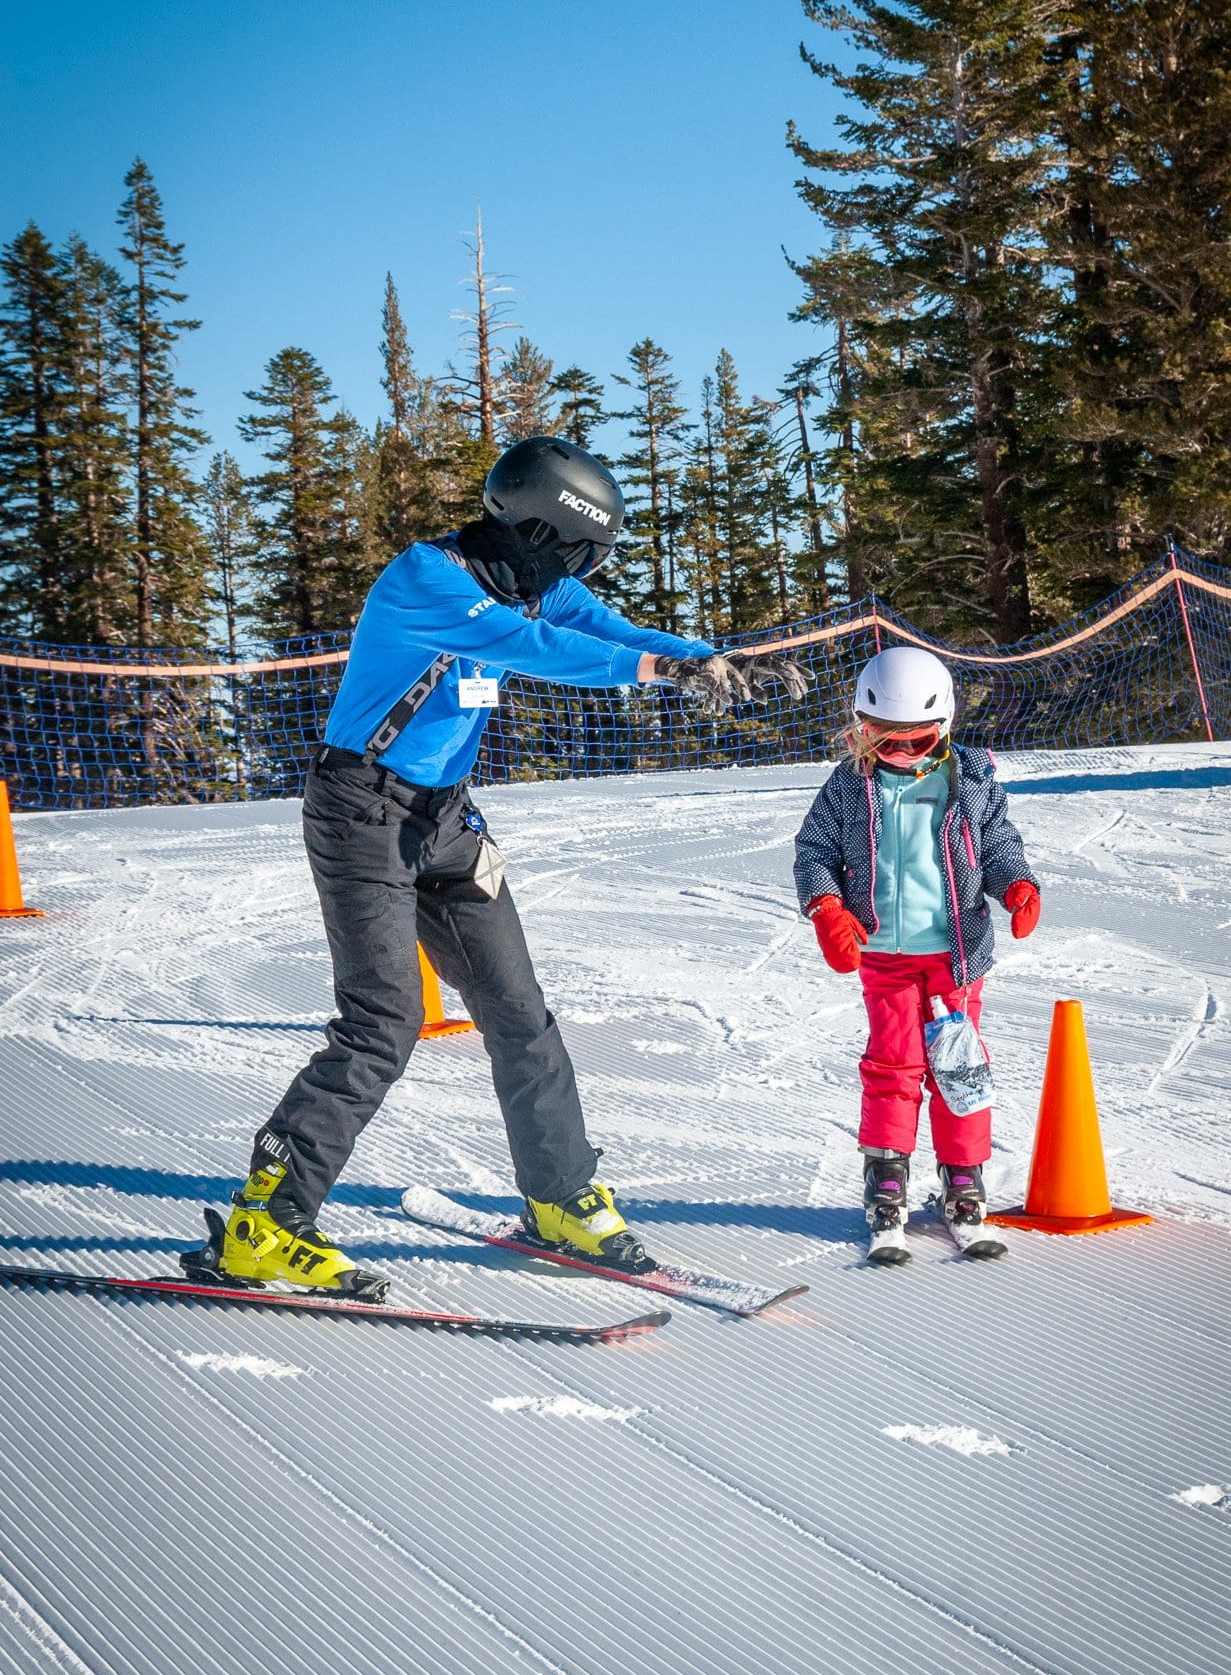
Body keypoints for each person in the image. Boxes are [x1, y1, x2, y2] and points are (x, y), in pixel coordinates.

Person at [189, 437, 806, 1298]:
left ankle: (557, 1198)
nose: (582, 571)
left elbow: (602, 627)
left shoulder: (534, 580)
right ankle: (263, 1225)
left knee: (519, 1012)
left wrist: (707, 657)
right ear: (547, 528)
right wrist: (660, 667)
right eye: (584, 553)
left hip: (445, 817)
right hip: (362, 814)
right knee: (382, 1024)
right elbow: (538, 648)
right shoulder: (427, 580)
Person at [792, 644, 1040, 1263]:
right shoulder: (849, 782)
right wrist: (827, 907)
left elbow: (997, 842)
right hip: (884, 956)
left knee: (959, 1070)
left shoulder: (974, 778)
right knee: (894, 1067)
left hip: (955, 957)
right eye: (885, 741)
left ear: (945, 728)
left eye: (918, 742)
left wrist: (1017, 884)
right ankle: (887, 1189)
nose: (901, 754)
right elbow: (814, 850)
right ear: (862, 729)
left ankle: (964, 1190)